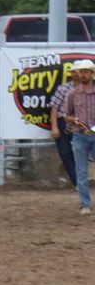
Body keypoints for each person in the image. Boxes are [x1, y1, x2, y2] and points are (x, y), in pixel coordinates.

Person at [51, 58, 95, 214]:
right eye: (80, 72)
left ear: (92, 73)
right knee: (81, 172)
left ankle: (86, 204)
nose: (82, 75)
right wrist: (73, 119)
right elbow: (66, 114)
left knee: (81, 170)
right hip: (79, 134)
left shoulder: (72, 92)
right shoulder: (71, 93)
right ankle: (85, 204)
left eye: (85, 72)